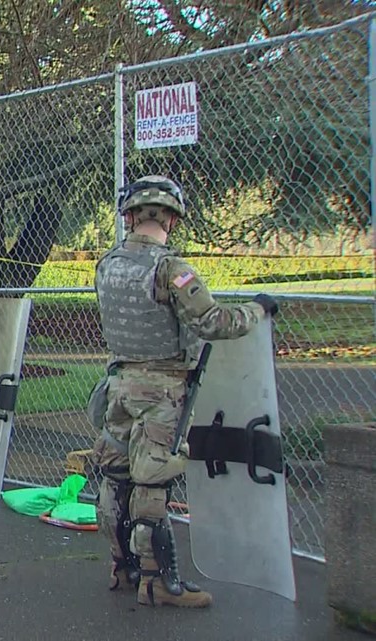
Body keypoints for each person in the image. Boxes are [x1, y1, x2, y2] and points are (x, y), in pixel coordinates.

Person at [90, 176, 279, 609]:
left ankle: (122, 567)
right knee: (153, 482)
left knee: (115, 477)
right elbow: (213, 323)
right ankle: (157, 582)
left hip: (118, 384)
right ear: (171, 219)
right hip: (162, 391)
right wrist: (257, 309)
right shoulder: (171, 269)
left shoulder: (107, 264)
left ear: (129, 216)